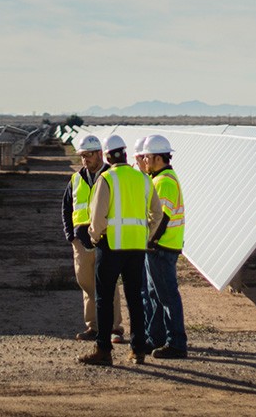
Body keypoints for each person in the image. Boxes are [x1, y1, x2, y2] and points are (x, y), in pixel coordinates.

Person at [77, 133, 160, 366]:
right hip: (136, 248)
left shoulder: (107, 179)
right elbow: (157, 213)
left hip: (111, 246)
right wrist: (147, 235)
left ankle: (103, 350)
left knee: (104, 298)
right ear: (124, 153)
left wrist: (94, 237)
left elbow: (98, 216)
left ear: (106, 156)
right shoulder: (143, 179)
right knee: (135, 299)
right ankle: (138, 350)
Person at [61, 134, 124, 343]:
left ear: (99, 154)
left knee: (108, 283)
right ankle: (94, 327)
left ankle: (114, 328)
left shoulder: (111, 176)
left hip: (106, 239)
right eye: (82, 155)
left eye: (88, 155)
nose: (85, 159)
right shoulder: (76, 179)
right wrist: (71, 236)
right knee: (86, 284)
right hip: (81, 242)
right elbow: (66, 207)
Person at [137, 133, 187, 359]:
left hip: (162, 247)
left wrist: (150, 242)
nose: (144, 161)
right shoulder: (160, 179)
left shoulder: (164, 182)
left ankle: (176, 343)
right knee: (155, 296)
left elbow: (161, 219)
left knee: (167, 296)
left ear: (158, 158)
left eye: (147, 157)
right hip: (160, 247)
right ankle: (155, 338)